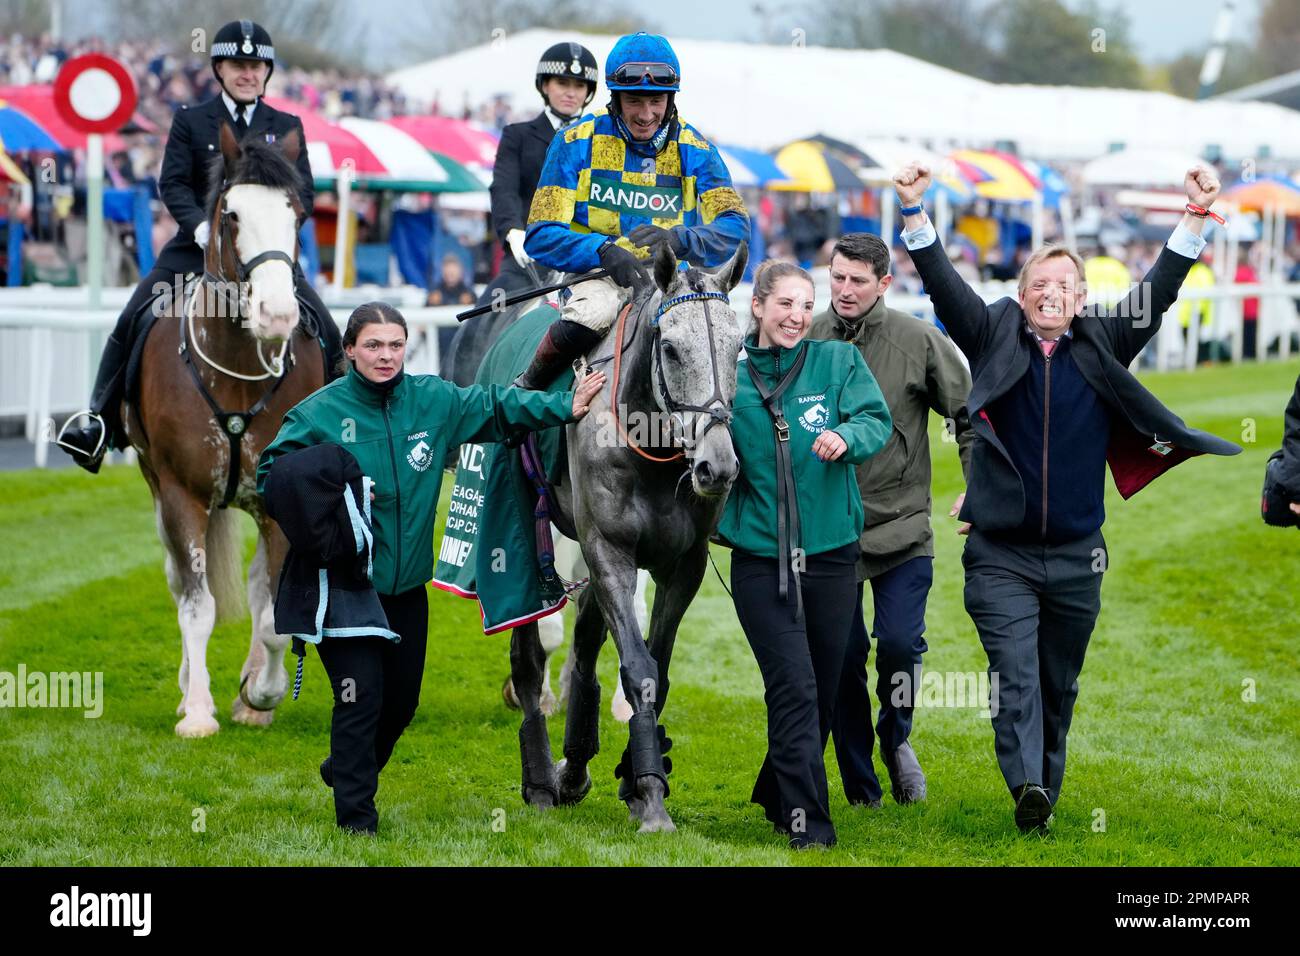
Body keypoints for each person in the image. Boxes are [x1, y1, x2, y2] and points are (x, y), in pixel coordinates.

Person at [892, 160, 1241, 833]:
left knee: (1058, 686)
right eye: (1039, 284)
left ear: (1082, 298)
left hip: (1080, 557)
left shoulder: (1103, 342)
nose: (1051, 293)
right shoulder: (992, 331)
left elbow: (1158, 291)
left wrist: (1194, 218)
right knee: (1015, 676)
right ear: (1021, 294)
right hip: (1001, 557)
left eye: (1064, 285)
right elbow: (943, 287)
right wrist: (914, 213)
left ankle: (1041, 796)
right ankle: (1026, 783)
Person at [256, 302, 606, 834]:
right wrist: (327, 485)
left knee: (401, 704)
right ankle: (358, 823)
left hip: (405, 588)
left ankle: (349, 767)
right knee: (361, 697)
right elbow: (270, 478)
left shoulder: (432, 400)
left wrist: (565, 405)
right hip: (345, 585)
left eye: (395, 345)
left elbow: (495, 407)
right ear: (350, 351)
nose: (386, 355)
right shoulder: (318, 413)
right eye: (373, 345)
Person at [57, 19, 344, 472]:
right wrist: (200, 229)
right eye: (238, 65)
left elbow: (303, 192)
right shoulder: (192, 120)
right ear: (220, 69)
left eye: (256, 65)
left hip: (266, 256)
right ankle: (98, 419)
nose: (247, 73)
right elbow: (171, 183)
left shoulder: (286, 125)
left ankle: (342, 419)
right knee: (135, 314)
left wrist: (276, 234)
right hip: (196, 250)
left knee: (323, 325)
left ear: (267, 72)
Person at [715, 260, 892, 848]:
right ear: (759, 307)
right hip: (761, 563)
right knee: (792, 685)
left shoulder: (837, 361)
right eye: (784, 304)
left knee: (819, 685)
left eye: (803, 304)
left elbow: (876, 419)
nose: (796, 316)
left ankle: (775, 791)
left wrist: (848, 436)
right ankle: (809, 829)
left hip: (834, 556)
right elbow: (698, 452)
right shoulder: (728, 380)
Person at [807, 233, 973, 808]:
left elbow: (970, 415)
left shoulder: (917, 339)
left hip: (904, 528)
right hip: (829, 533)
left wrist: (980, 491)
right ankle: (860, 782)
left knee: (899, 644)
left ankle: (897, 740)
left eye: (858, 280)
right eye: (837, 278)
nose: (845, 290)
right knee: (845, 656)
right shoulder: (805, 338)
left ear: (884, 283)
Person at [514, 31, 749, 389]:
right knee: (594, 313)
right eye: (634, 101)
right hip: (595, 277)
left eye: (656, 101)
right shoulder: (575, 141)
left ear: (671, 99)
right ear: (615, 97)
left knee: (715, 335)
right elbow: (541, 234)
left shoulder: (697, 149)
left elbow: (735, 227)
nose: (645, 114)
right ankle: (526, 390)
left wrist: (679, 239)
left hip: (670, 282)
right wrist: (602, 251)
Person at [477, 41, 599, 308]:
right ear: (545, 85)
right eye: (562, 83)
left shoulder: (601, 141)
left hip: (585, 256)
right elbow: (503, 188)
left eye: (579, 86)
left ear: (588, 92)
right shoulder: (517, 135)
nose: (571, 93)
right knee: (482, 319)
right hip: (529, 255)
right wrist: (512, 231)